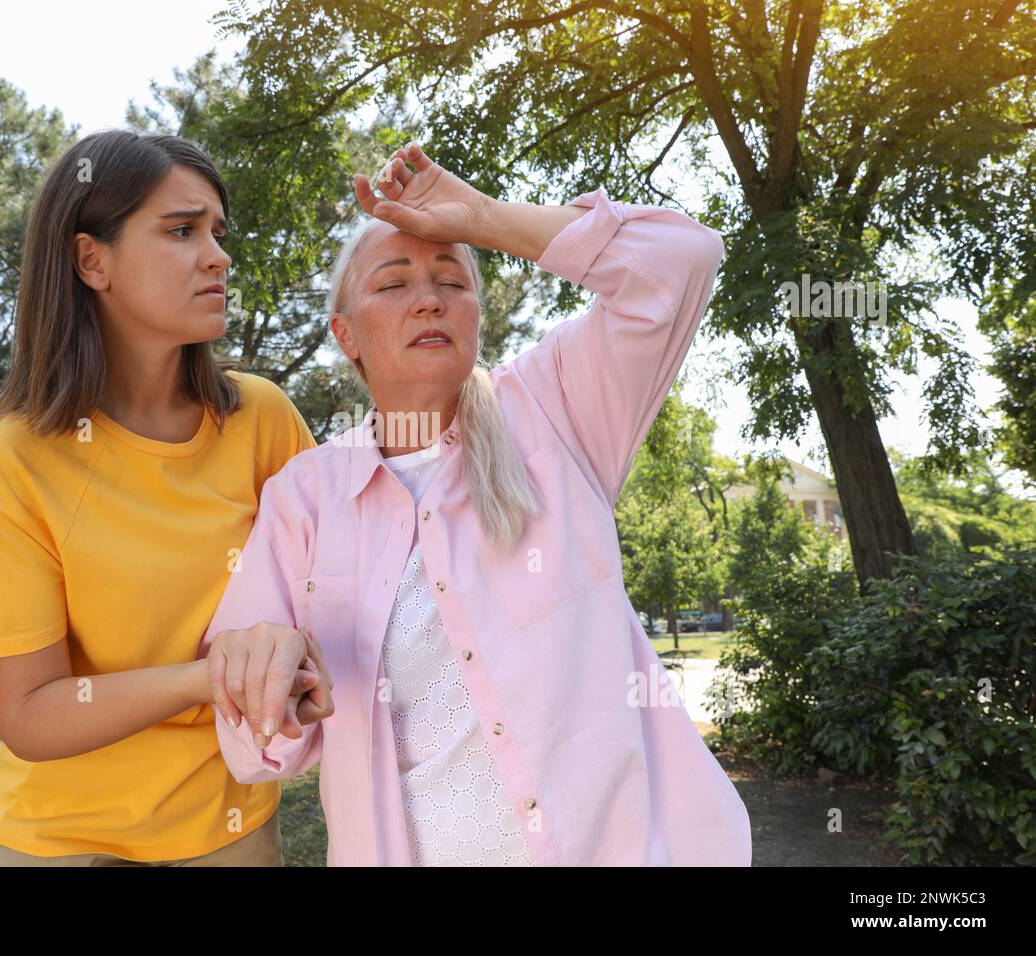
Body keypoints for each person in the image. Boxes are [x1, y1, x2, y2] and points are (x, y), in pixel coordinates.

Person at [201, 141, 752, 866]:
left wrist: (484, 218)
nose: (428, 297)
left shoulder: (555, 410)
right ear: (346, 336)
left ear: (477, 316)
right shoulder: (304, 499)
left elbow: (684, 258)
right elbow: (256, 749)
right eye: (392, 285)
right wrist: (270, 680)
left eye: (451, 280)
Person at [0, 129, 324, 866]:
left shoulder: (263, 420)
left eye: (218, 232)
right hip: (60, 843)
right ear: (93, 260)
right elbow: (28, 713)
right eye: (181, 231)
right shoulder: (15, 459)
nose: (218, 256)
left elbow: (345, 596)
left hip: (233, 836)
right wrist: (211, 677)